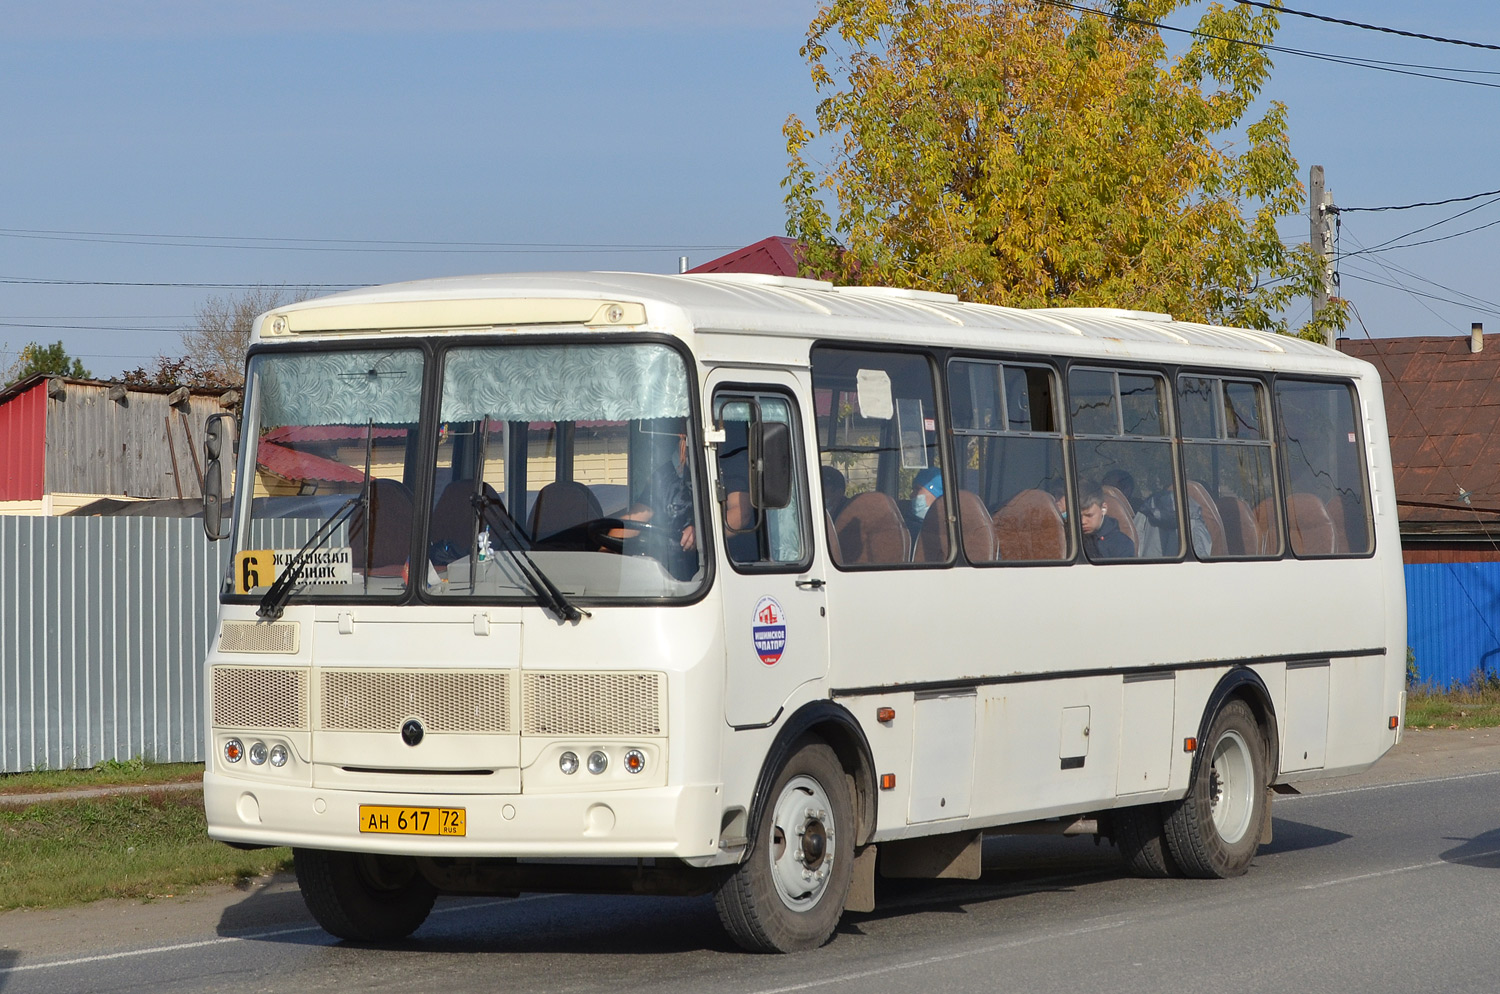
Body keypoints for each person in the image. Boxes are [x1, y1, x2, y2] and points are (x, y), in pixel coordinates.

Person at [1059, 481, 1135, 559]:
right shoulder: (1066, 537)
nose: (1083, 522)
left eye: (1089, 515)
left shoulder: (1121, 544)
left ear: (1103, 509)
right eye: (1078, 516)